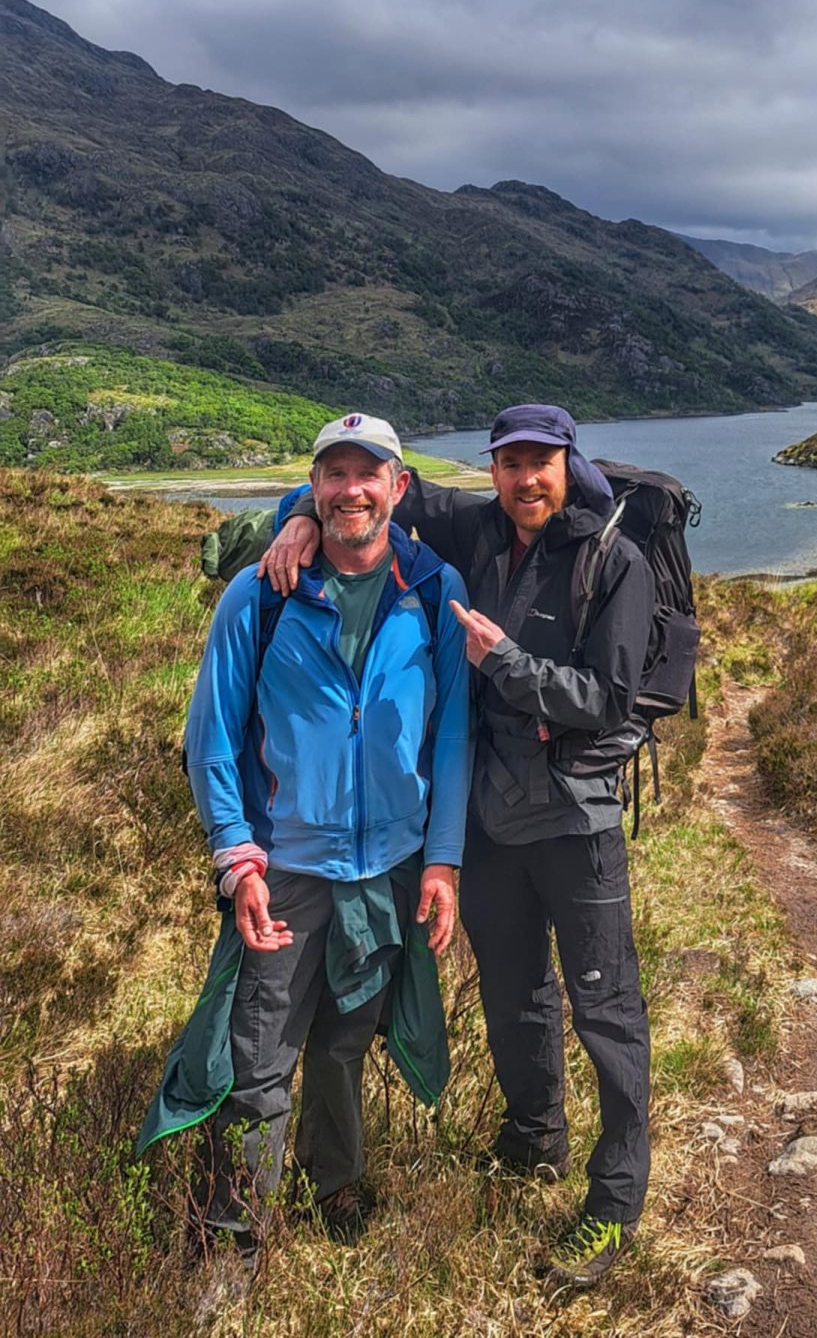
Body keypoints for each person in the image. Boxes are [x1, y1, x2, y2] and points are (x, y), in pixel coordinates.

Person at [259, 404, 656, 1288]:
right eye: (509, 463)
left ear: (566, 464)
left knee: (604, 1008)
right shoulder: (474, 529)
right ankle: (534, 1136)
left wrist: (507, 663)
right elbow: (361, 490)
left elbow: (610, 700)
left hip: (576, 822)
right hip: (486, 819)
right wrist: (295, 511)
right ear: (493, 470)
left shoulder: (611, 561)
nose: (524, 480)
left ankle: (615, 1201)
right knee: (514, 990)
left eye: (540, 463)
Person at [137, 413, 470, 1267]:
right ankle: (234, 1240)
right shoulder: (261, 591)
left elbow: (452, 742)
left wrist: (441, 860)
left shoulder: (434, 590)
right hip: (285, 868)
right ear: (313, 487)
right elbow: (210, 736)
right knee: (260, 1054)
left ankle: (335, 1185)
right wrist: (236, 856)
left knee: (343, 1044)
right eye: (333, 474)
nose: (350, 490)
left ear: (400, 488)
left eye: (370, 474)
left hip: (388, 870)